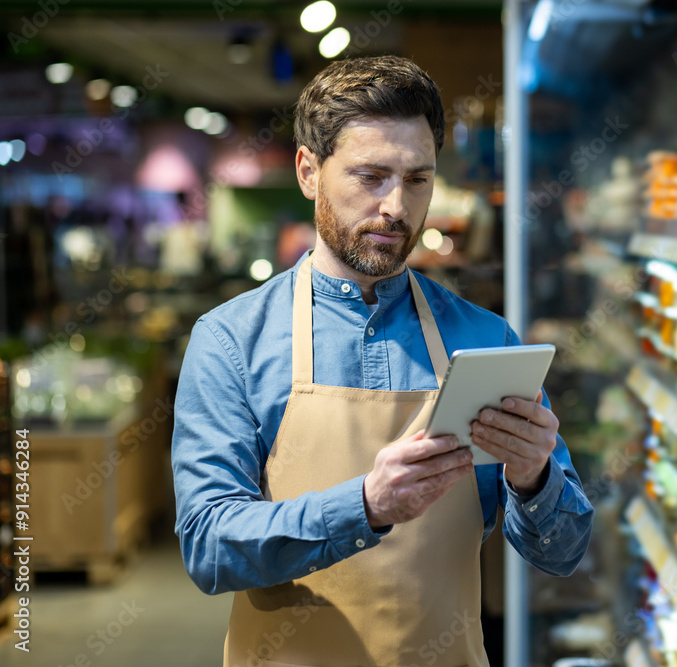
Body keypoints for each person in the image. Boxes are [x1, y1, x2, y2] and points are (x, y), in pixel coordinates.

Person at [171, 55, 594, 667]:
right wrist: (365, 505)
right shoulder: (232, 341)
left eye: (417, 179)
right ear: (308, 171)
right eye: (371, 176)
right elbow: (209, 549)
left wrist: (533, 479)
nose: (397, 207)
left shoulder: (485, 339)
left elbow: (565, 551)